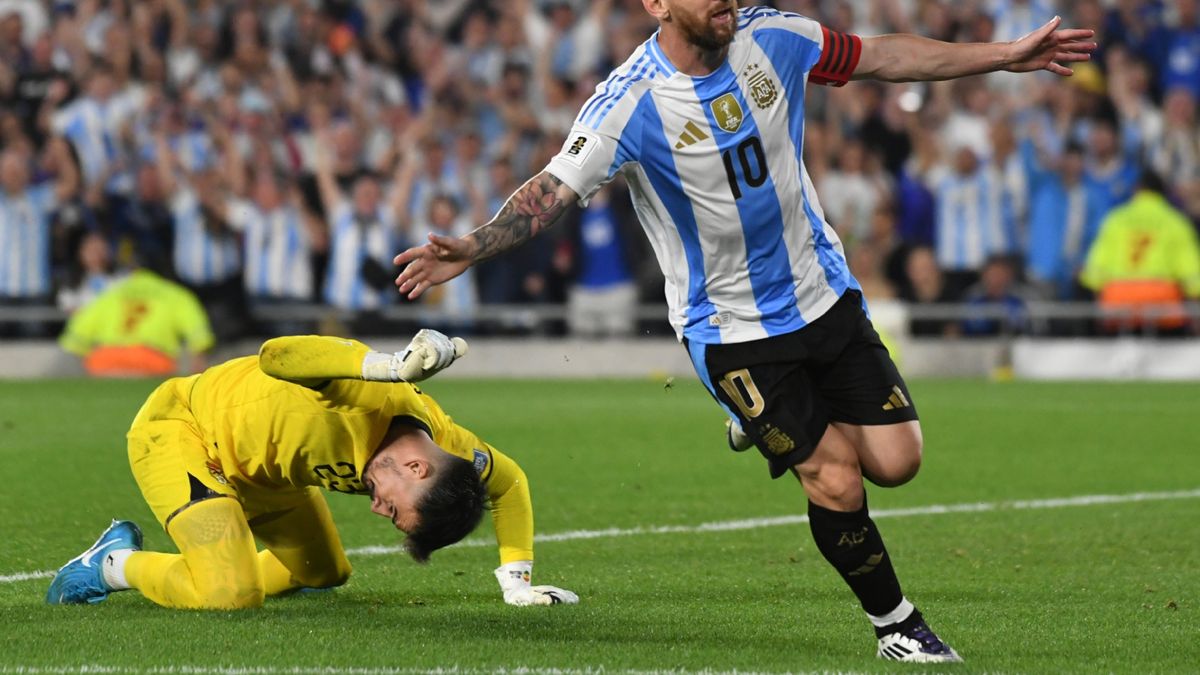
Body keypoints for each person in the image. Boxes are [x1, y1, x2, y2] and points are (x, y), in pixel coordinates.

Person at [395, 2, 1094, 662]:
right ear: (658, 5)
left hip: (823, 295)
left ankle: (755, 423)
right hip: (731, 330)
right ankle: (898, 626)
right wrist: (474, 244)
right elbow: (550, 189)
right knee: (835, 477)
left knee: (898, 459)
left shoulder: (773, 38)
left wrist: (1005, 55)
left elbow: (881, 56)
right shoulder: (630, 101)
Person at [46, 331, 578, 609]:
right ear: (417, 467)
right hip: (185, 433)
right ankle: (112, 563)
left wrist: (516, 583)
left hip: (264, 475)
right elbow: (275, 354)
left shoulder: (455, 448)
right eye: (392, 507)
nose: (374, 507)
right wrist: (389, 365)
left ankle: (220, 562)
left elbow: (509, 484)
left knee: (326, 574)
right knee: (228, 595)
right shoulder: (365, 394)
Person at [58, 264, 214, 377]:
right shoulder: (176, 294)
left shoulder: (111, 293)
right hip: (152, 360)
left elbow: (74, 340)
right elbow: (200, 338)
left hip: (105, 358)